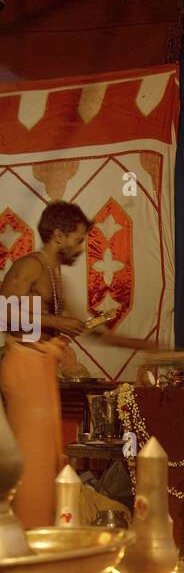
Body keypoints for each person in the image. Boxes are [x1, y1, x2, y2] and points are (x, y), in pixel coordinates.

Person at [0, 201, 88, 528]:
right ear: (58, 235)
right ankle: (24, 539)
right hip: (24, 369)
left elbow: (36, 323)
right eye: (77, 240)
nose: (80, 248)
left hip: (40, 369)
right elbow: (3, 314)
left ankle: (40, 535)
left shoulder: (54, 272)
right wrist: (57, 322)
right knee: (33, 462)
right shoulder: (30, 265)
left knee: (47, 459)